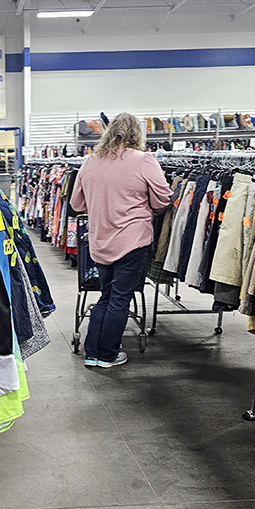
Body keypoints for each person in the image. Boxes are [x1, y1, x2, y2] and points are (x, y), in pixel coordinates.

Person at [70, 112, 172, 368]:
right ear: (136, 134)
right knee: (120, 298)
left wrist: (101, 204)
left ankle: (92, 353)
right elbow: (163, 198)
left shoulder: (90, 161)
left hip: (100, 241)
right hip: (132, 240)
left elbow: (76, 204)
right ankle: (107, 354)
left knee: (106, 296)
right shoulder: (143, 160)